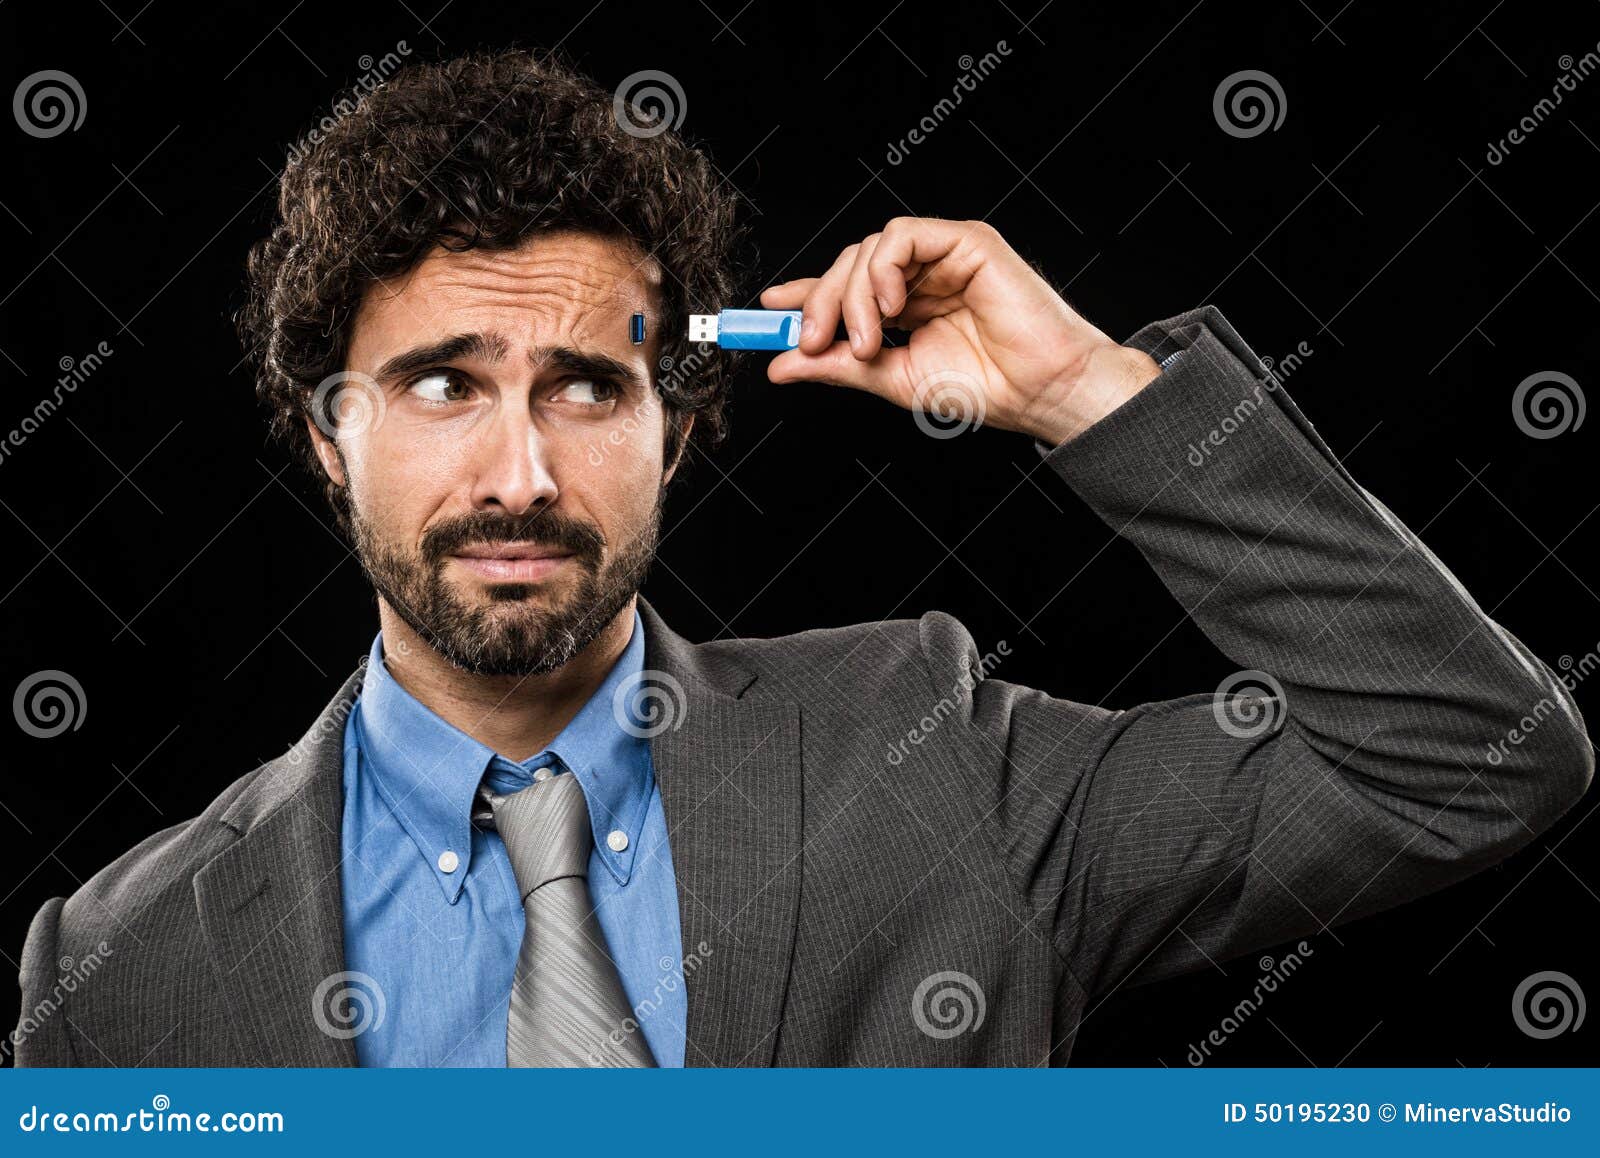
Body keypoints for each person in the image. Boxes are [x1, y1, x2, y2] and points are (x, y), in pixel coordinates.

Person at [12, 49, 1590, 1068]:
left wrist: (1086, 395)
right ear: (327, 434)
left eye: (590, 386)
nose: (522, 471)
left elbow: (1466, 757)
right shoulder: (120, 968)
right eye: (443, 384)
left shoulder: (932, 759)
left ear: (678, 427)